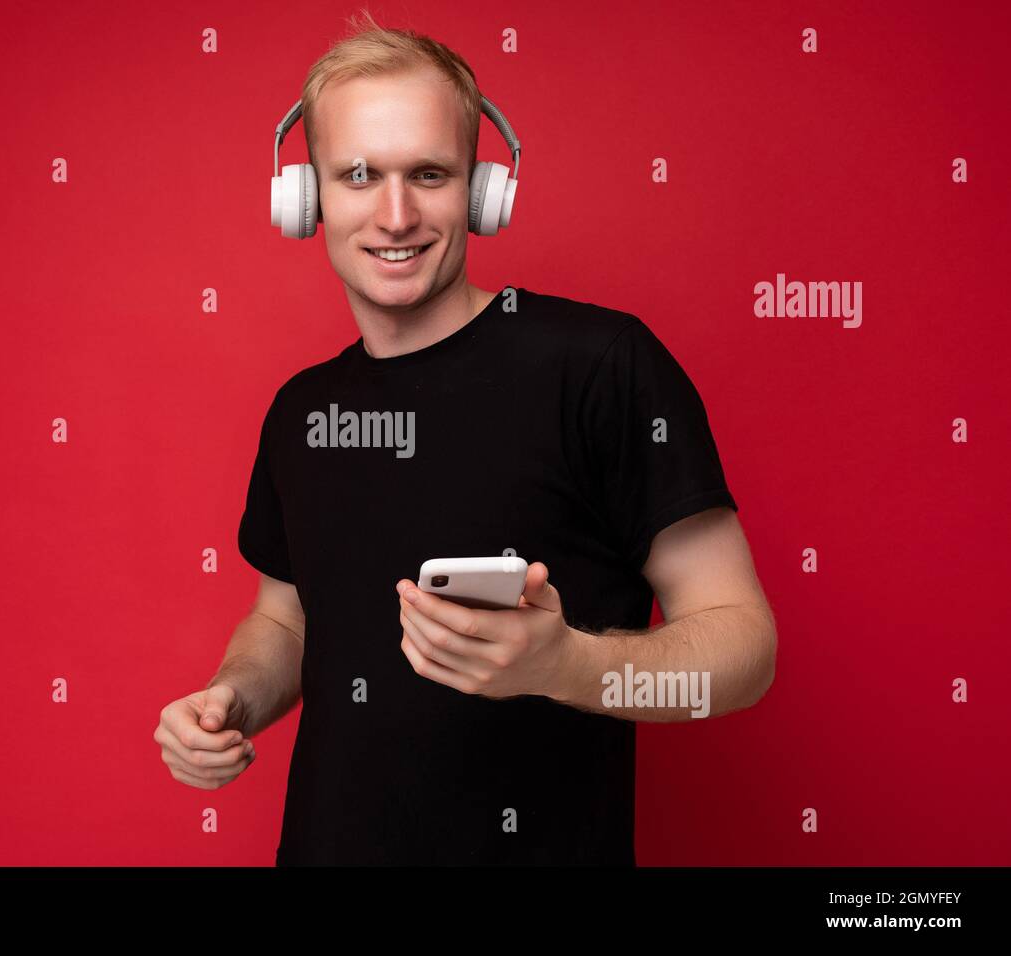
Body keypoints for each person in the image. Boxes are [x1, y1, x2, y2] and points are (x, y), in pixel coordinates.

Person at [155, 10, 776, 865]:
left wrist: (567, 667)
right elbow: (287, 622)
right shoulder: (303, 410)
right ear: (306, 198)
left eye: (432, 174)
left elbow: (744, 647)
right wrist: (230, 697)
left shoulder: (602, 365)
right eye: (360, 175)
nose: (397, 213)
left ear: (482, 192)